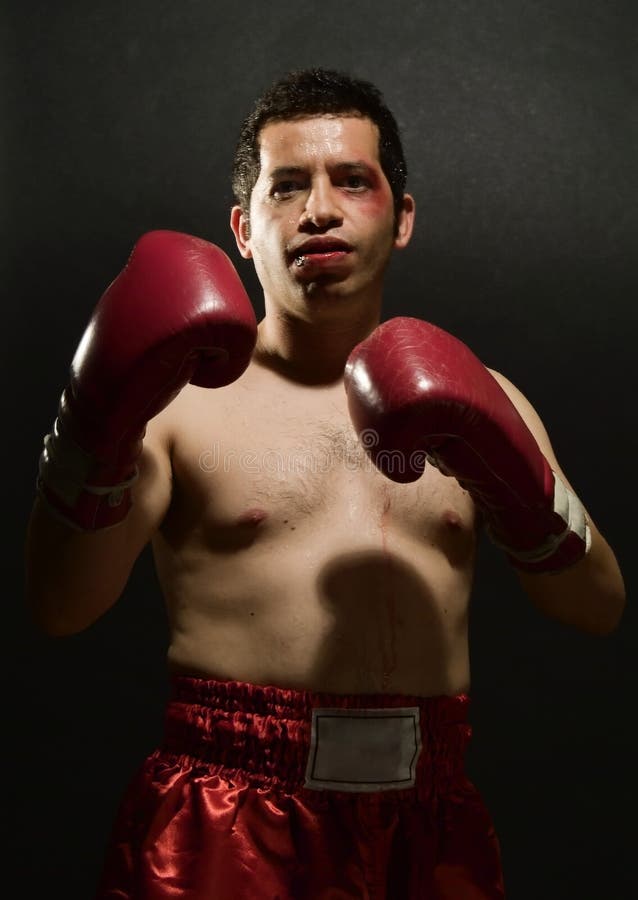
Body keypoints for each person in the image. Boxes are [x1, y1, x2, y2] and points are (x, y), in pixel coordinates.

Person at [25, 68, 625, 899]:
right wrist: (92, 426)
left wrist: (521, 491)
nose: (320, 210)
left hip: (429, 821)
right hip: (226, 812)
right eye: (286, 188)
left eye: (354, 181)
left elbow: (600, 607)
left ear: (402, 217)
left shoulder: (489, 398)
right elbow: (59, 608)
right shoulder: (178, 409)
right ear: (242, 226)